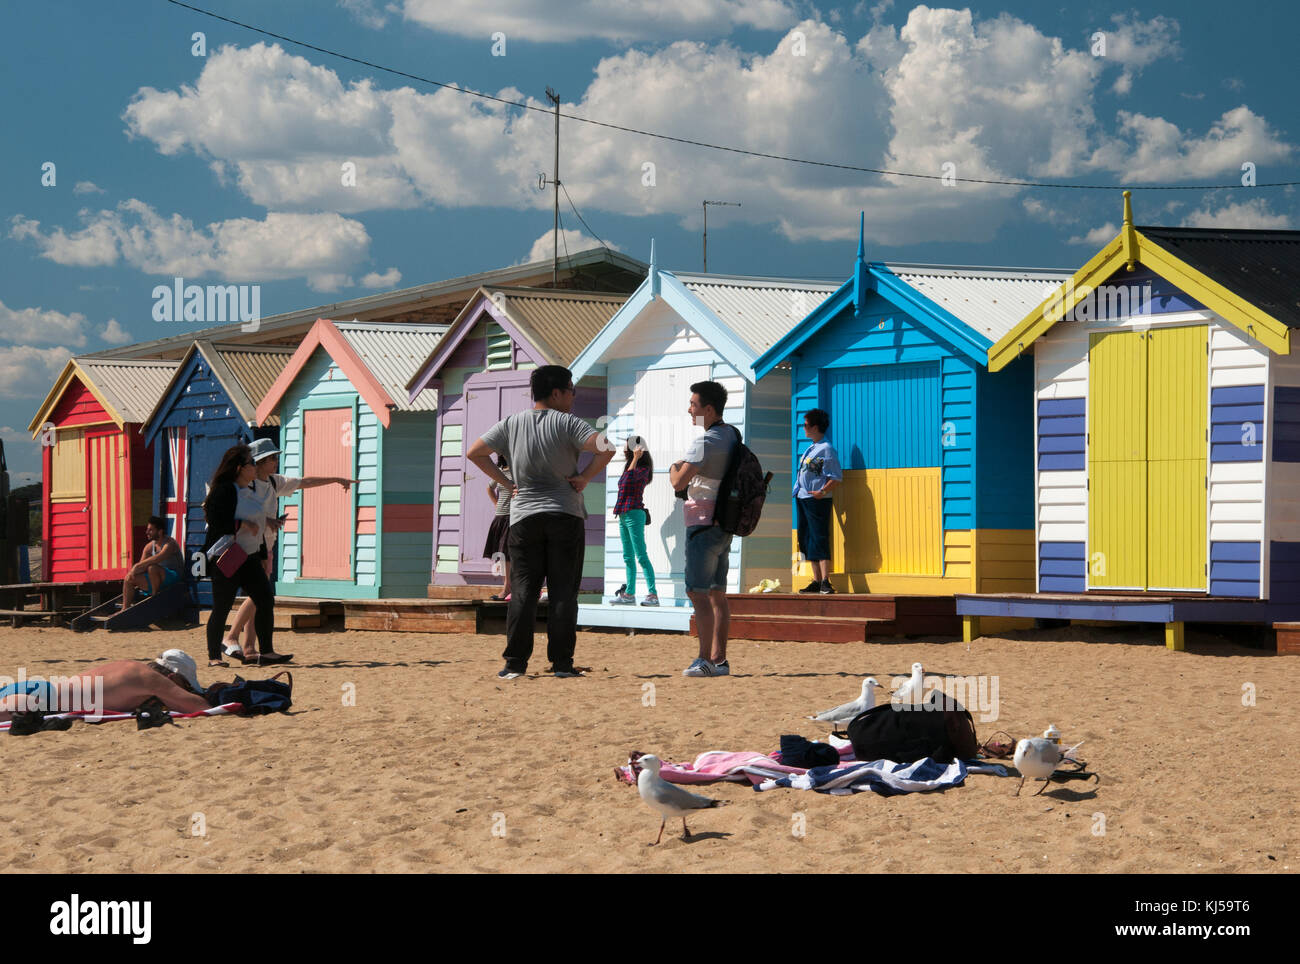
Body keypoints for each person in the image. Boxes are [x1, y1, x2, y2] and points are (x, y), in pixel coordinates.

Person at [466, 365, 615, 680]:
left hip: (523, 517)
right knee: (563, 591)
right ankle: (562, 664)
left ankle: (515, 664)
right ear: (557, 392)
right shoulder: (568, 422)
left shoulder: (512, 423)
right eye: (571, 390)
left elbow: (475, 453)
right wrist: (585, 477)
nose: (573, 396)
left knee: (523, 590)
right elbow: (607, 448)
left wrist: (507, 485)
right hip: (564, 514)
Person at [221, 438, 355, 661]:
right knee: (258, 594)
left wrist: (336, 479)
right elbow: (236, 513)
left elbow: (304, 482)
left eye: (275, 457)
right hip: (248, 548)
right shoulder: (245, 486)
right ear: (259, 462)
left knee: (258, 598)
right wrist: (267, 521)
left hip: (267, 547)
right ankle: (231, 636)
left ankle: (249, 648)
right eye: (271, 458)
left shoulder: (274, 482)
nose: (275, 462)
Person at [669, 380, 737, 678]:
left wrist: (675, 465)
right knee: (717, 594)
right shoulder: (732, 434)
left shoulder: (705, 441)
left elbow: (678, 482)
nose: (689, 409)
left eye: (694, 404)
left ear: (708, 409)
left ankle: (704, 660)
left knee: (697, 593)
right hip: (725, 522)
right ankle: (719, 660)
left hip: (702, 522)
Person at [201, 444, 289, 668]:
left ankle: (266, 652)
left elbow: (259, 524)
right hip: (227, 556)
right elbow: (215, 519)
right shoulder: (225, 490)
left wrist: (261, 554)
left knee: (265, 598)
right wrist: (241, 523)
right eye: (251, 463)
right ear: (240, 468)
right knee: (222, 606)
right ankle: (214, 657)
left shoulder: (250, 490)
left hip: (249, 556)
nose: (254, 466)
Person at [0, 650, 212, 723]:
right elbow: (198, 706)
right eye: (185, 685)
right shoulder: (151, 680)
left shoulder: (132, 667)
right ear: (174, 677)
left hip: (37, 690)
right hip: (39, 702)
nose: (184, 689)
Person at [795, 408, 843, 594]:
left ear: (815, 427)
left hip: (816, 500)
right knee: (806, 538)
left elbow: (836, 477)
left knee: (819, 536)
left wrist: (822, 491)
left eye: (806, 425)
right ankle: (815, 580)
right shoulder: (812, 448)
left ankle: (825, 580)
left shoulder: (826, 449)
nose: (804, 428)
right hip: (803, 497)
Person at [611, 436, 658, 606]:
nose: (624, 450)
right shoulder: (630, 466)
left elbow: (628, 480)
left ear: (637, 450)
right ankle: (629, 594)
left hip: (634, 514)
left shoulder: (644, 468)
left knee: (641, 556)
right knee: (628, 557)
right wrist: (633, 460)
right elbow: (623, 482)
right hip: (623, 514)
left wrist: (636, 459)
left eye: (627, 447)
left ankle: (653, 594)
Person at [123, 516, 182, 608]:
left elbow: (159, 557)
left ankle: (154, 597)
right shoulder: (149, 547)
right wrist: (132, 573)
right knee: (128, 578)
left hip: (173, 578)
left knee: (152, 568)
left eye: (150, 530)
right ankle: (124, 609)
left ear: (160, 531)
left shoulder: (170, 543)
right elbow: (141, 567)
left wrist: (137, 566)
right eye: (147, 529)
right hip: (156, 580)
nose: (147, 532)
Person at [485, 452, 514, 602]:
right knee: (503, 555)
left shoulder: (519, 470)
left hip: (515, 516)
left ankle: (510, 587)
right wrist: (496, 504)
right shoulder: (500, 471)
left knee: (512, 554)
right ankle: (507, 586)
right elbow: (489, 488)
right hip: (501, 517)